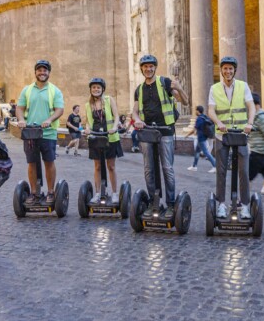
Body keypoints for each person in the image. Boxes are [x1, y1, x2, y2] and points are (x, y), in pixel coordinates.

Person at [131, 54, 188, 219]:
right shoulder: (139, 89)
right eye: (145, 67)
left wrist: (179, 88)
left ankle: (170, 204)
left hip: (165, 132)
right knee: (148, 169)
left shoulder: (165, 83)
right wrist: (137, 120)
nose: (148, 69)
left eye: (151, 66)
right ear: (142, 69)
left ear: (155, 67)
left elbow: (185, 101)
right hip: (147, 133)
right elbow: (134, 111)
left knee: (167, 168)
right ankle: (152, 202)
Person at [208, 56, 255, 220]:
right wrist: (218, 122)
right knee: (221, 172)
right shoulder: (214, 88)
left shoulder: (243, 86)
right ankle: (221, 204)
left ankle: (245, 206)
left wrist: (250, 123)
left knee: (244, 171)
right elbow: (211, 110)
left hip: (241, 134)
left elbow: (251, 106)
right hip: (222, 135)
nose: (228, 71)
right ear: (221, 70)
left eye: (230, 68)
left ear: (234, 70)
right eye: (225, 68)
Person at [16, 60, 65, 205]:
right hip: (30, 133)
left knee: (49, 162)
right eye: (39, 70)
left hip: (48, 133)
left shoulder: (54, 90)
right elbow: (20, 108)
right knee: (31, 163)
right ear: (35, 72)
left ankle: (50, 192)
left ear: (49, 73)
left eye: (45, 70)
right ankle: (34, 193)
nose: (42, 73)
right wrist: (21, 120)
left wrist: (49, 120)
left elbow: (59, 109)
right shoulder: (27, 90)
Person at [83, 78, 123, 204]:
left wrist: (115, 127)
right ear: (90, 89)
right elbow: (88, 121)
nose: (96, 89)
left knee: (111, 166)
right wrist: (87, 129)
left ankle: (114, 193)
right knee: (97, 166)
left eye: (98, 87)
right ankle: (98, 193)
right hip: (95, 137)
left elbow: (116, 116)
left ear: (102, 89)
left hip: (110, 137)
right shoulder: (88, 105)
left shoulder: (109, 100)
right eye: (93, 87)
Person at [188, 105, 217, 172]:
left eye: (196, 110)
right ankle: (194, 166)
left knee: (206, 153)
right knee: (197, 152)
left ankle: (215, 166)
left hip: (201, 138)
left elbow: (194, 129)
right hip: (203, 137)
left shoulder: (199, 119)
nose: (195, 111)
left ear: (198, 111)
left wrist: (187, 135)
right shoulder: (204, 117)